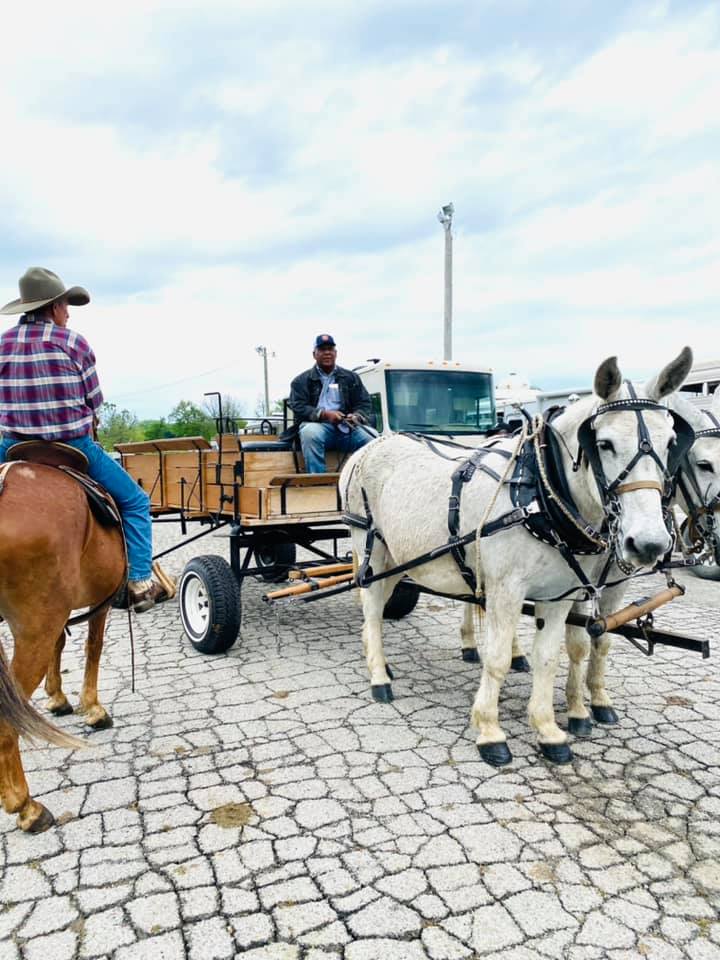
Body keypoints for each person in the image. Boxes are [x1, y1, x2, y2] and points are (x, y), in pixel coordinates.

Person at [0, 267, 167, 613]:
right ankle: (139, 581)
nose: (68, 313)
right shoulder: (73, 341)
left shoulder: (2, 343)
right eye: (65, 306)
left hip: (13, 445)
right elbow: (94, 401)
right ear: (54, 306)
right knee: (136, 502)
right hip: (73, 447)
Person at [288, 334, 376, 473]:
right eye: (322, 349)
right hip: (319, 428)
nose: (327, 352)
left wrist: (357, 416)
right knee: (309, 432)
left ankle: (365, 482)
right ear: (314, 354)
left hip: (347, 429)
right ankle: (317, 482)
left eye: (330, 349)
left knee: (373, 437)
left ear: (336, 353)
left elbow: (364, 402)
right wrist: (324, 415)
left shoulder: (351, 377)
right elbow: (298, 406)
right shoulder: (300, 381)